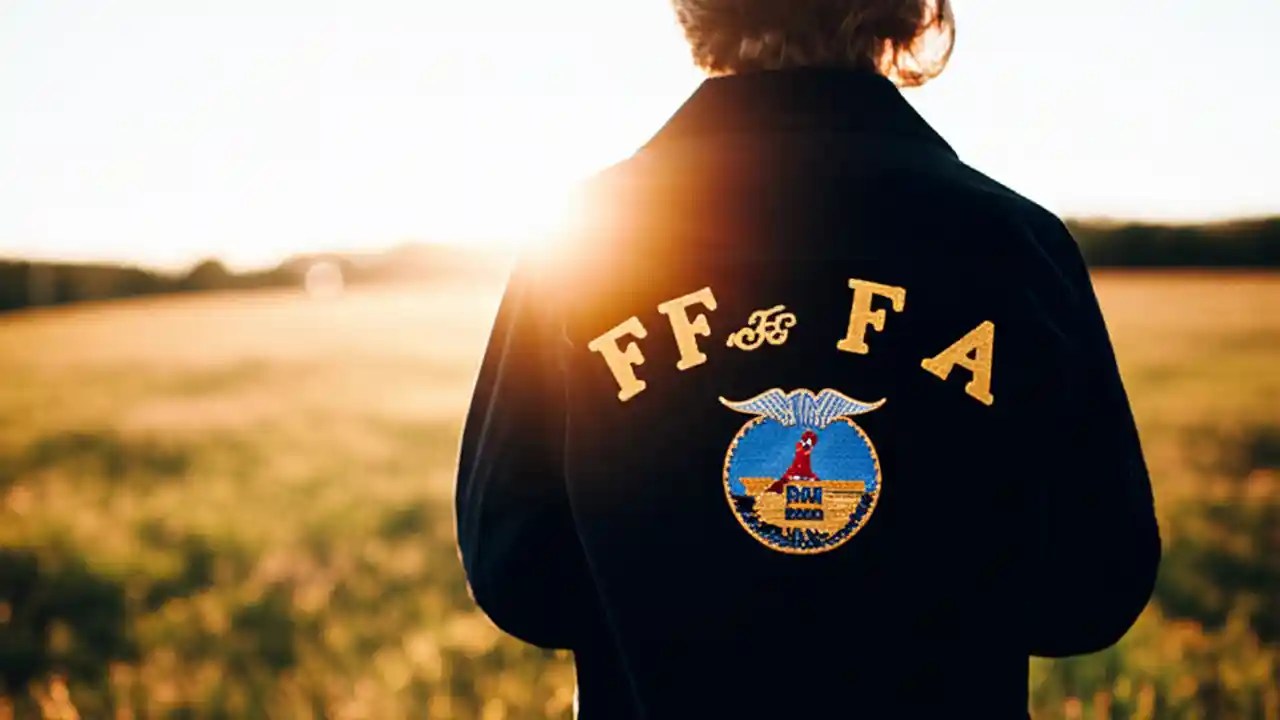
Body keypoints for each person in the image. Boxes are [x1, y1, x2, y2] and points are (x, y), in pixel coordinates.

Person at [455, 1, 1161, 717]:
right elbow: (1089, 592)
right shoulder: (1014, 244)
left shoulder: (582, 239)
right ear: (914, 12)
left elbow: (519, 575)